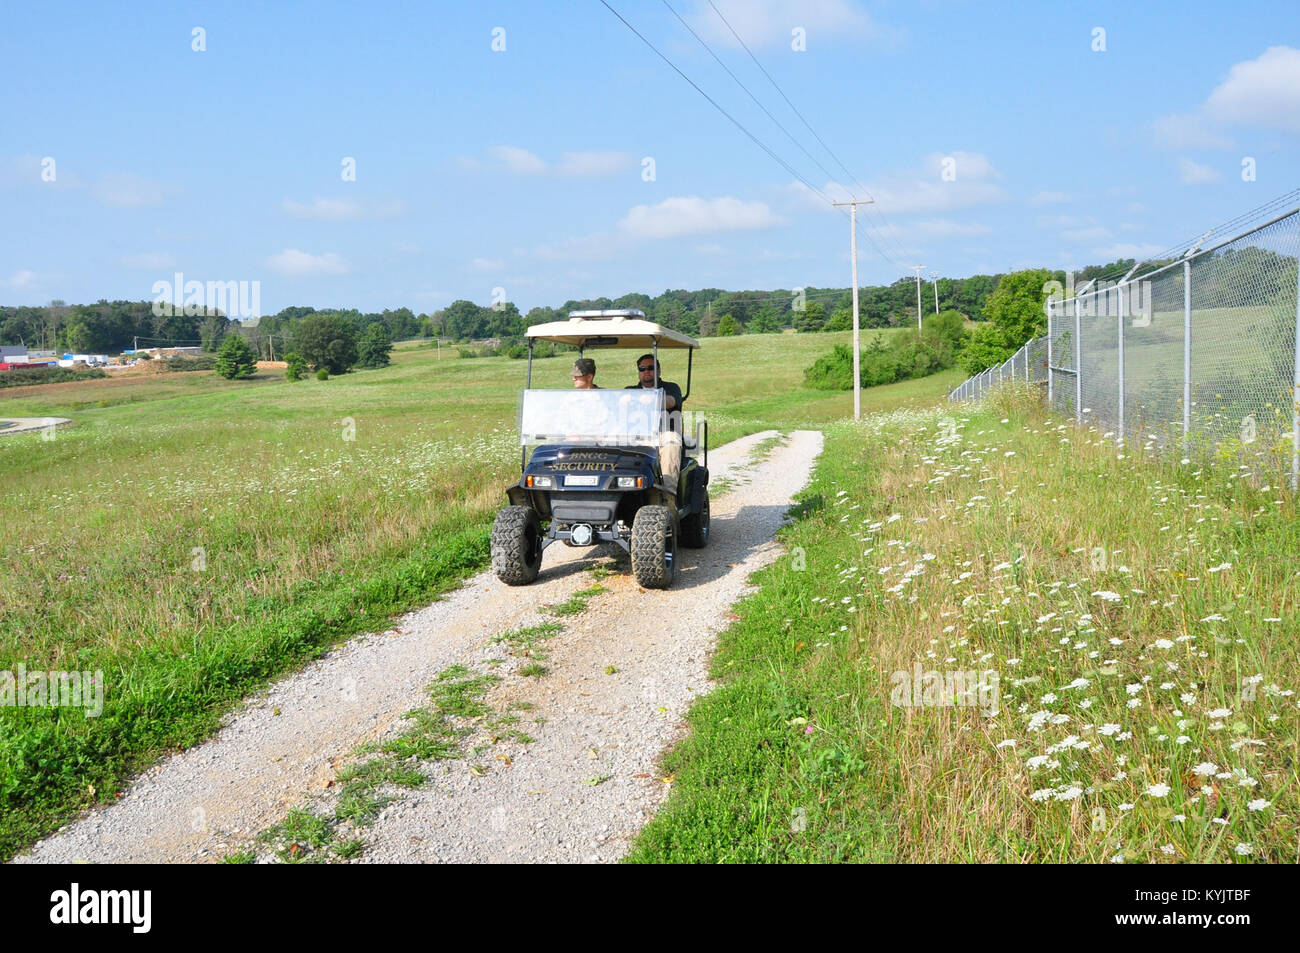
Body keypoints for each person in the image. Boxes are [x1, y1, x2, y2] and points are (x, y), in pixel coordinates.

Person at [625, 354, 684, 484]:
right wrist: (623, 400)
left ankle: (668, 493)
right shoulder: (630, 390)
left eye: (651, 368)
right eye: (642, 369)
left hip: (664, 434)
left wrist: (653, 399)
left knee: (671, 442)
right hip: (637, 435)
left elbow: (671, 401)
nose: (647, 371)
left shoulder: (670, 387)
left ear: (659, 370)